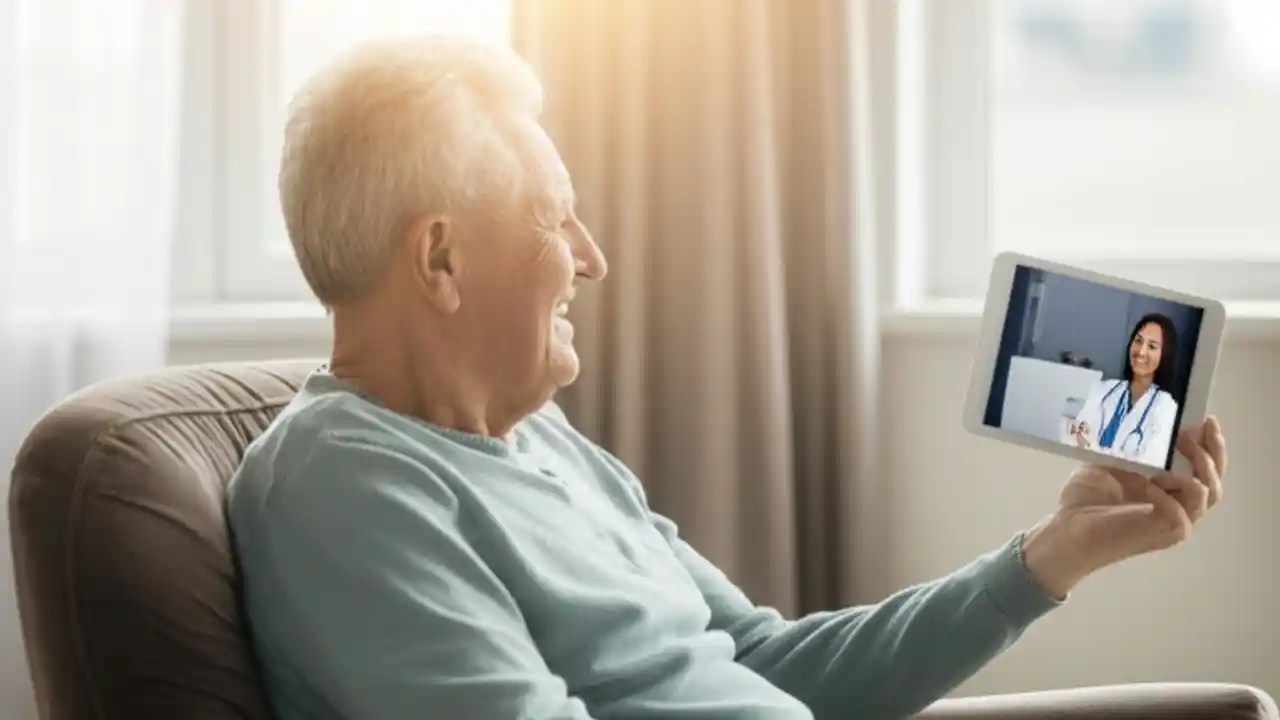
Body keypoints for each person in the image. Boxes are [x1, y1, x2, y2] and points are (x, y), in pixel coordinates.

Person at [226, 37, 1228, 719]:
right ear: (440, 259)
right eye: (552, 217)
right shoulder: (343, 487)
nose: (590, 258)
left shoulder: (541, 442)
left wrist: (1048, 558)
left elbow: (765, 663)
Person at [1068, 313, 1182, 467]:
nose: (1141, 352)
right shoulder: (1104, 389)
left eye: (1152, 346)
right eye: (1138, 341)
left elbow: (1149, 465)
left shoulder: (1166, 407)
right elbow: (1076, 434)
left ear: (1165, 355)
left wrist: (1093, 449)